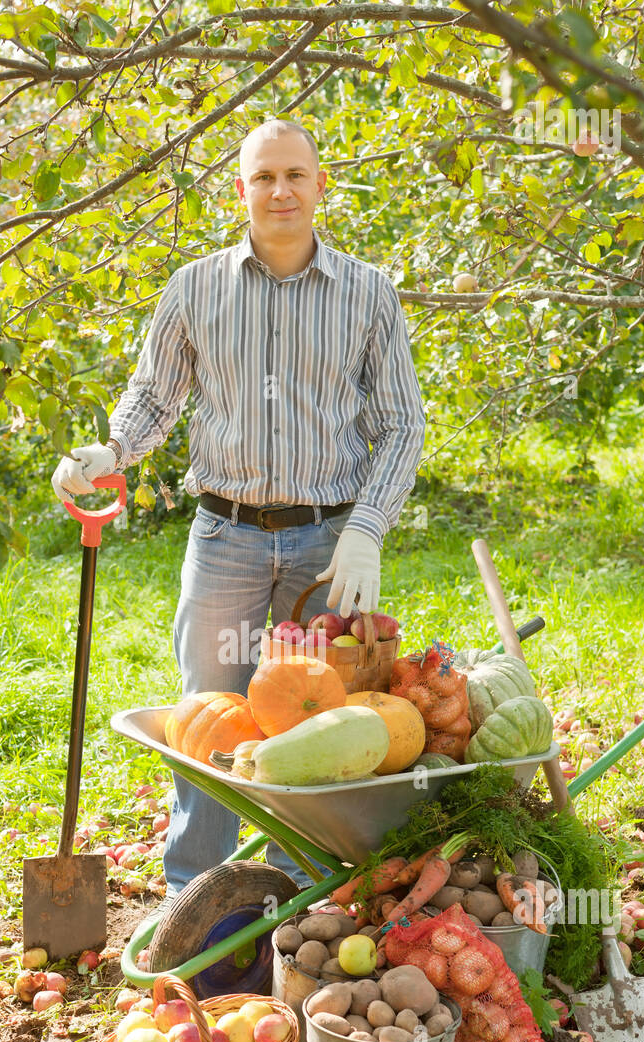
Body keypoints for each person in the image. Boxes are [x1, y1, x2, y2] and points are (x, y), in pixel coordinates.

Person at [52, 118, 425, 907]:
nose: (281, 190)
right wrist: (109, 453)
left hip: (329, 540)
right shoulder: (196, 287)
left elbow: (401, 423)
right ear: (242, 191)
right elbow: (155, 397)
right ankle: (200, 902)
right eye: (265, 177)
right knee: (210, 726)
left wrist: (366, 529)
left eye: (296, 174)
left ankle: (312, 904)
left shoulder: (368, 291)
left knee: (329, 729)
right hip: (224, 537)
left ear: (321, 185)